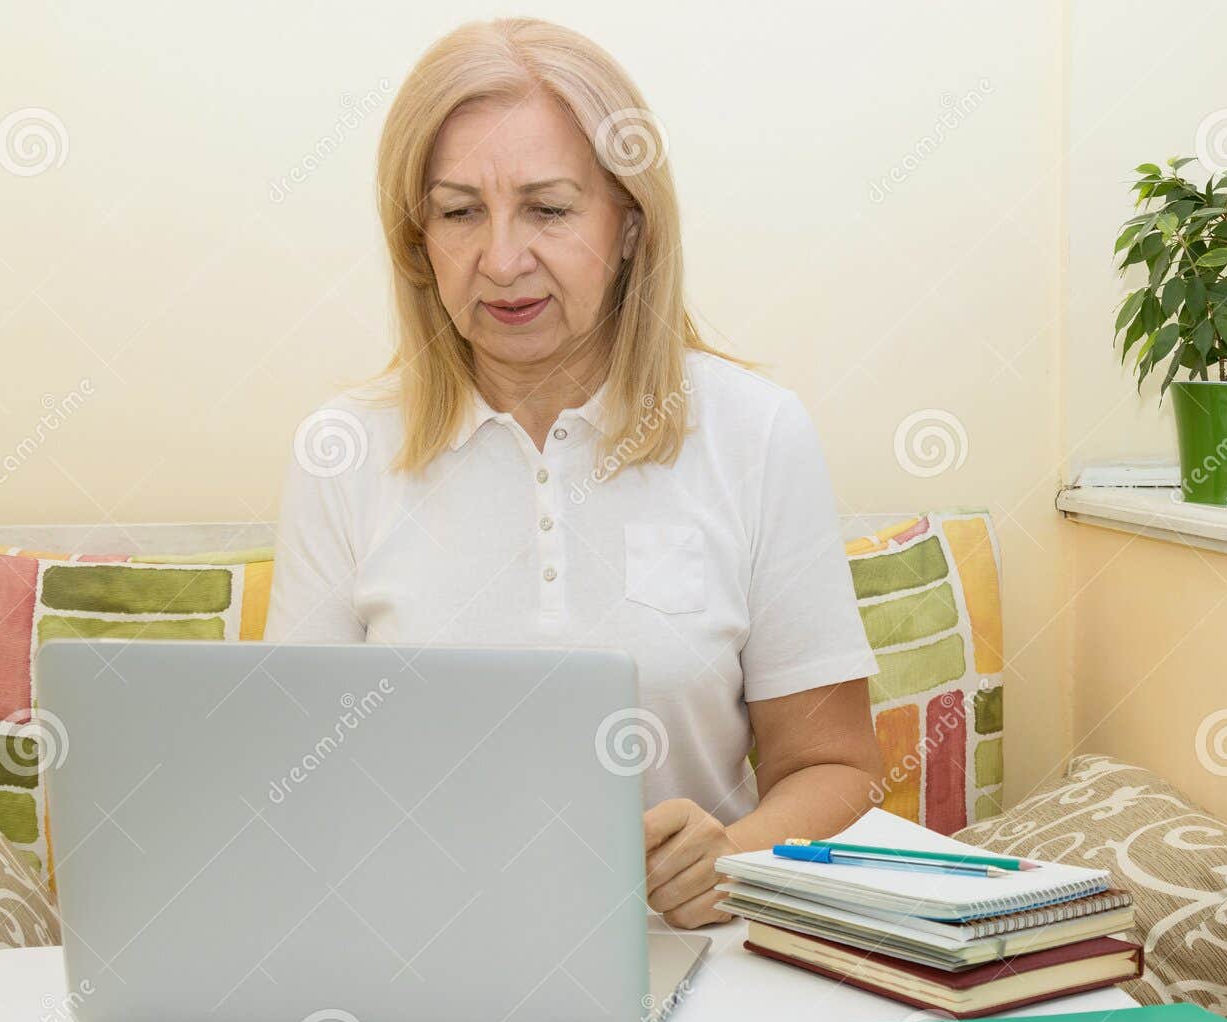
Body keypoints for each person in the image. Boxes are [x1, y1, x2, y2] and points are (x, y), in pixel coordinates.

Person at [264, 17, 882, 929]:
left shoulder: (756, 434)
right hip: (409, 959)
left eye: (549, 209)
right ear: (418, 239)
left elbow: (840, 772)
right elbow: (295, 778)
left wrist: (731, 858)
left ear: (629, 225)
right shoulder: (341, 450)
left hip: (684, 958)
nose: (503, 259)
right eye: (459, 211)